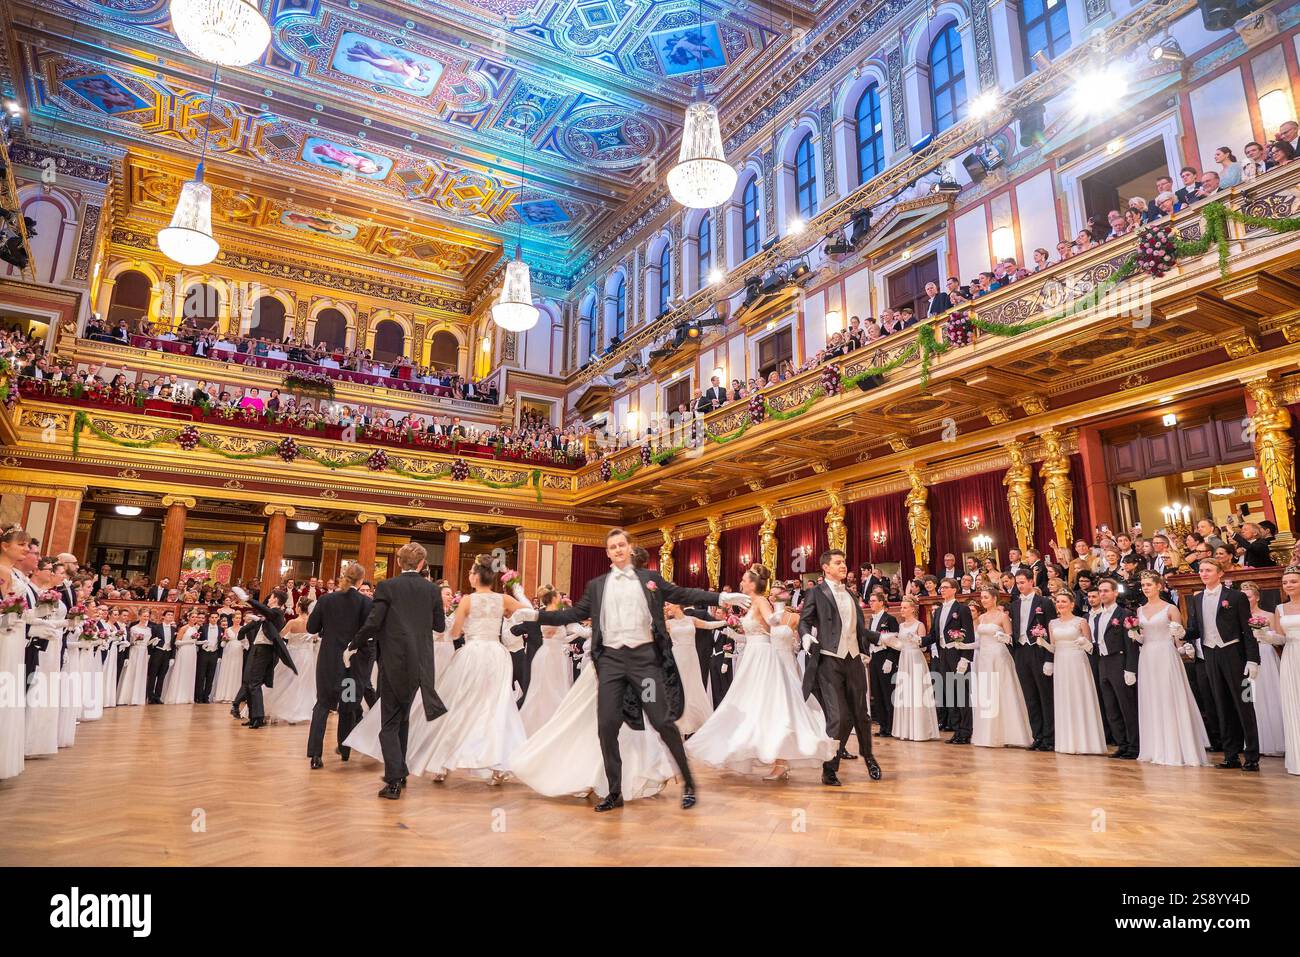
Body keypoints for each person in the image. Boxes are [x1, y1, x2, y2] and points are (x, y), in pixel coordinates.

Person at [537, 528, 749, 811]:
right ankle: (614, 792)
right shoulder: (597, 586)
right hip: (611, 663)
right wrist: (535, 615)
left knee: (662, 721)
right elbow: (573, 614)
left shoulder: (650, 580)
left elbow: (682, 592)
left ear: (629, 548)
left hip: (643, 662)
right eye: (612, 547)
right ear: (608, 552)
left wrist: (721, 599)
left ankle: (688, 783)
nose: (618, 550)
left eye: (622, 545)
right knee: (606, 725)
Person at [686, 564, 835, 780]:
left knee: (769, 706)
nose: (741, 582)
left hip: (764, 657)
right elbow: (753, 633)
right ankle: (774, 758)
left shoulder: (761, 601)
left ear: (754, 584)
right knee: (753, 706)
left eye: (745, 580)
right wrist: (732, 628)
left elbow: (772, 622)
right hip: (752, 655)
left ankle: (780, 761)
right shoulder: (751, 603)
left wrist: (780, 612)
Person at [343, 543, 445, 798]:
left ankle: (394, 781)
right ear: (421, 565)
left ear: (400, 563)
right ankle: (401, 771)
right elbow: (439, 625)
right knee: (403, 718)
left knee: (389, 722)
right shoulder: (432, 589)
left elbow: (374, 622)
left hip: (394, 661)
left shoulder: (388, 586)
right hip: (420, 665)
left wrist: (353, 644)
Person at [797, 548, 883, 783]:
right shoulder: (815, 592)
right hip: (828, 660)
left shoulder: (852, 595)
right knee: (839, 717)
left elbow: (858, 630)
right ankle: (829, 768)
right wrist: (805, 636)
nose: (843, 566)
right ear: (826, 568)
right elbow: (804, 622)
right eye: (838, 562)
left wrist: (879, 638)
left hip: (853, 659)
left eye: (844, 562)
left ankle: (869, 758)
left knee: (861, 715)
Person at [1182, 558, 1260, 771]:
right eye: (1201, 570)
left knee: (1244, 703)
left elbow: (1248, 630)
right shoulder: (1196, 599)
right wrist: (1183, 634)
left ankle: (1252, 756)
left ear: (1220, 573)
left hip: (1235, 654)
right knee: (1221, 705)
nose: (1204, 573)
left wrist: (1253, 659)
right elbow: (1196, 629)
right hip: (1211, 655)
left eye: (1208, 570)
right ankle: (1231, 755)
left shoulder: (1236, 597)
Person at [1133, 571, 1208, 766]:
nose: (1145, 588)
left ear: (1159, 586)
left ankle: (1175, 747)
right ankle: (1155, 747)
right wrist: (1137, 637)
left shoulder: (1170, 608)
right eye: (1143, 585)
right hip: (1147, 655)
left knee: (1168, 697)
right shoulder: (1140, 611)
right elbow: (1143, 635)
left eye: (1149, 584)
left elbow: (1178, 636)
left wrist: (1184, 648)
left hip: (1166, 653)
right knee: (1152, 698)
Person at [306, 563, 372, 769]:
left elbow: (312, 627)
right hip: (351, 663)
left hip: (328, 662)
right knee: (348, 705)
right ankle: (344, 749)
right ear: (361, 581)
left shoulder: (326, 600)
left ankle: (315, 755)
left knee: (323, 704)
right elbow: (368, 633)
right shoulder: (365, 603)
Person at [1038, 591, 1106, 755]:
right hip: (1061, 662)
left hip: (1077, 661)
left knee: (1079, 697)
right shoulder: (1053, 623)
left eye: (1063, 601)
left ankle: (1086, 742)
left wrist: (1084, 642)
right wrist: (1044, 644)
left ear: (1071, 604)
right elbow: (1054, 647)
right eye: (1058, 602)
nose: (1060, 604)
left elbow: (1091, 649)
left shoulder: (1081, 621)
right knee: (1065, 698)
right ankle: (1067, 742)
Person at [971, 587, 1032, 748]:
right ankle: (988, 734)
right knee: (988, 692)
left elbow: (1011, 638)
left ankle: (1011, 734)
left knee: (1003, 691)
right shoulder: (981, 618)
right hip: (984, 657)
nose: (983, 600)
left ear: (994, 598)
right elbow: (979, 640)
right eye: (982, 598)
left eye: (985, 597)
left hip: (999, 655)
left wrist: (1003, 636)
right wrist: (964, 645)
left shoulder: (1003, 616)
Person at [232, 586, 295, 731]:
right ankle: (253, 716)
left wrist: (248, 599)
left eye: (271, 597)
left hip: (265, 650)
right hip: (258, 648)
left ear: (276, 600)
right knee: (248, 682)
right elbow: (264, 617)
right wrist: (258, 619)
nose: (269, 599)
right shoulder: (271, 614)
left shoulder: (277, 612)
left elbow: (266, 612)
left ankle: (258, 718)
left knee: (254, 683)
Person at [1090, 579, 1140, 760]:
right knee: (1111, 707)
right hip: (1103, 662)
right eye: (1100, 591)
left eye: (1106, 591)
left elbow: (1131, 644)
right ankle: (1122, 744)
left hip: (1119, 661)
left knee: (1126, 706)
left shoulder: (1124, 613)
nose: (1102, 594)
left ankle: (1134, 746)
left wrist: (1130, 669)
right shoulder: (1097, 616)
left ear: (1115, 593)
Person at [519, 586, 576, 736]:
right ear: (553, 599)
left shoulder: (551, 615)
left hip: (554, 655)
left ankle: (550, 720)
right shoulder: (552, 616)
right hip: (550, 655)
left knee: (553, 687)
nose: (561, 597)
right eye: (558, 595)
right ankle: (549, 723)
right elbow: (554, 634)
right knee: (549, 689)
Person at [1009, 569, 1055, 750]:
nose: (1019, 586)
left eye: (1022, 582)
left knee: (1045, 696)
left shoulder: (1044, 603)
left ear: (1031, 581)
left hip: (1039, 651)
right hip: (1021, 651)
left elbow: (1051, 631)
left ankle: (1050, 737)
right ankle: (1038, 736)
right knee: (1030, 697)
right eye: (1017, 583)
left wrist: (1049, 659)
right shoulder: (1015, 604)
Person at [928, 577, 975, 745]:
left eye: (946, 587)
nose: (942, 590)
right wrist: (920, 641)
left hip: (958, 655)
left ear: (954, 589)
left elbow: (969, 634)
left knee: (962, 694)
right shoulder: (939, 611)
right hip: (943, 656)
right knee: (950, 695)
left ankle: (966, 731)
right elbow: (934, 634)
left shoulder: (961, 609)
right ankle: (957, 730)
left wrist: (965, 658)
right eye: (941, 587)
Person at [1241, 581, 1286, 758]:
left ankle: (1277, 740)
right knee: (1249, 696)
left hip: (1266, 654)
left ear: (1257, 597)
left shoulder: (1268, 615)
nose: (1246, 600)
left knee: (1270, 694)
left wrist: (1267, 635)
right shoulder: (1239, 615)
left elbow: (1279, 637)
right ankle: (1253, 742)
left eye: (1249, 596)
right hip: (1246, 658)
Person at [887, 596, 939, 741]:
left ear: (912, 609)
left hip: (915, 658)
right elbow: (900, 644)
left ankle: (921, 730)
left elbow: (924, 646)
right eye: (901, 607)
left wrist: (917, 640)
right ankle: (906, 729)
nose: (902, 610)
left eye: (904, 607)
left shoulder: (919, 624)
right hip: (904, 658)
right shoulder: (901, 626)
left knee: (918, 691)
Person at [1268, 566, 1300, 775]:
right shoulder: (1280, 609)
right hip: (1290, 656)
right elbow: (1280, 637)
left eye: (1293, 581)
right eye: (1285, 582)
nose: (1288, 585)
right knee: (1294, 703)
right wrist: (1266, 636)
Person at [863, 590, 899, 737]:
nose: (870, 603)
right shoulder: (871, 620)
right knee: (877, 692)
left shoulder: (890, 619)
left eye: (873, 601)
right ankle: (883, 726)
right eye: (870, 601)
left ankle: (891, 726)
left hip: (886, 657)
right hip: (875, 658)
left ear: (881, 602)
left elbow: (896, 641)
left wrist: (890, 660)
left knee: (887, 692)